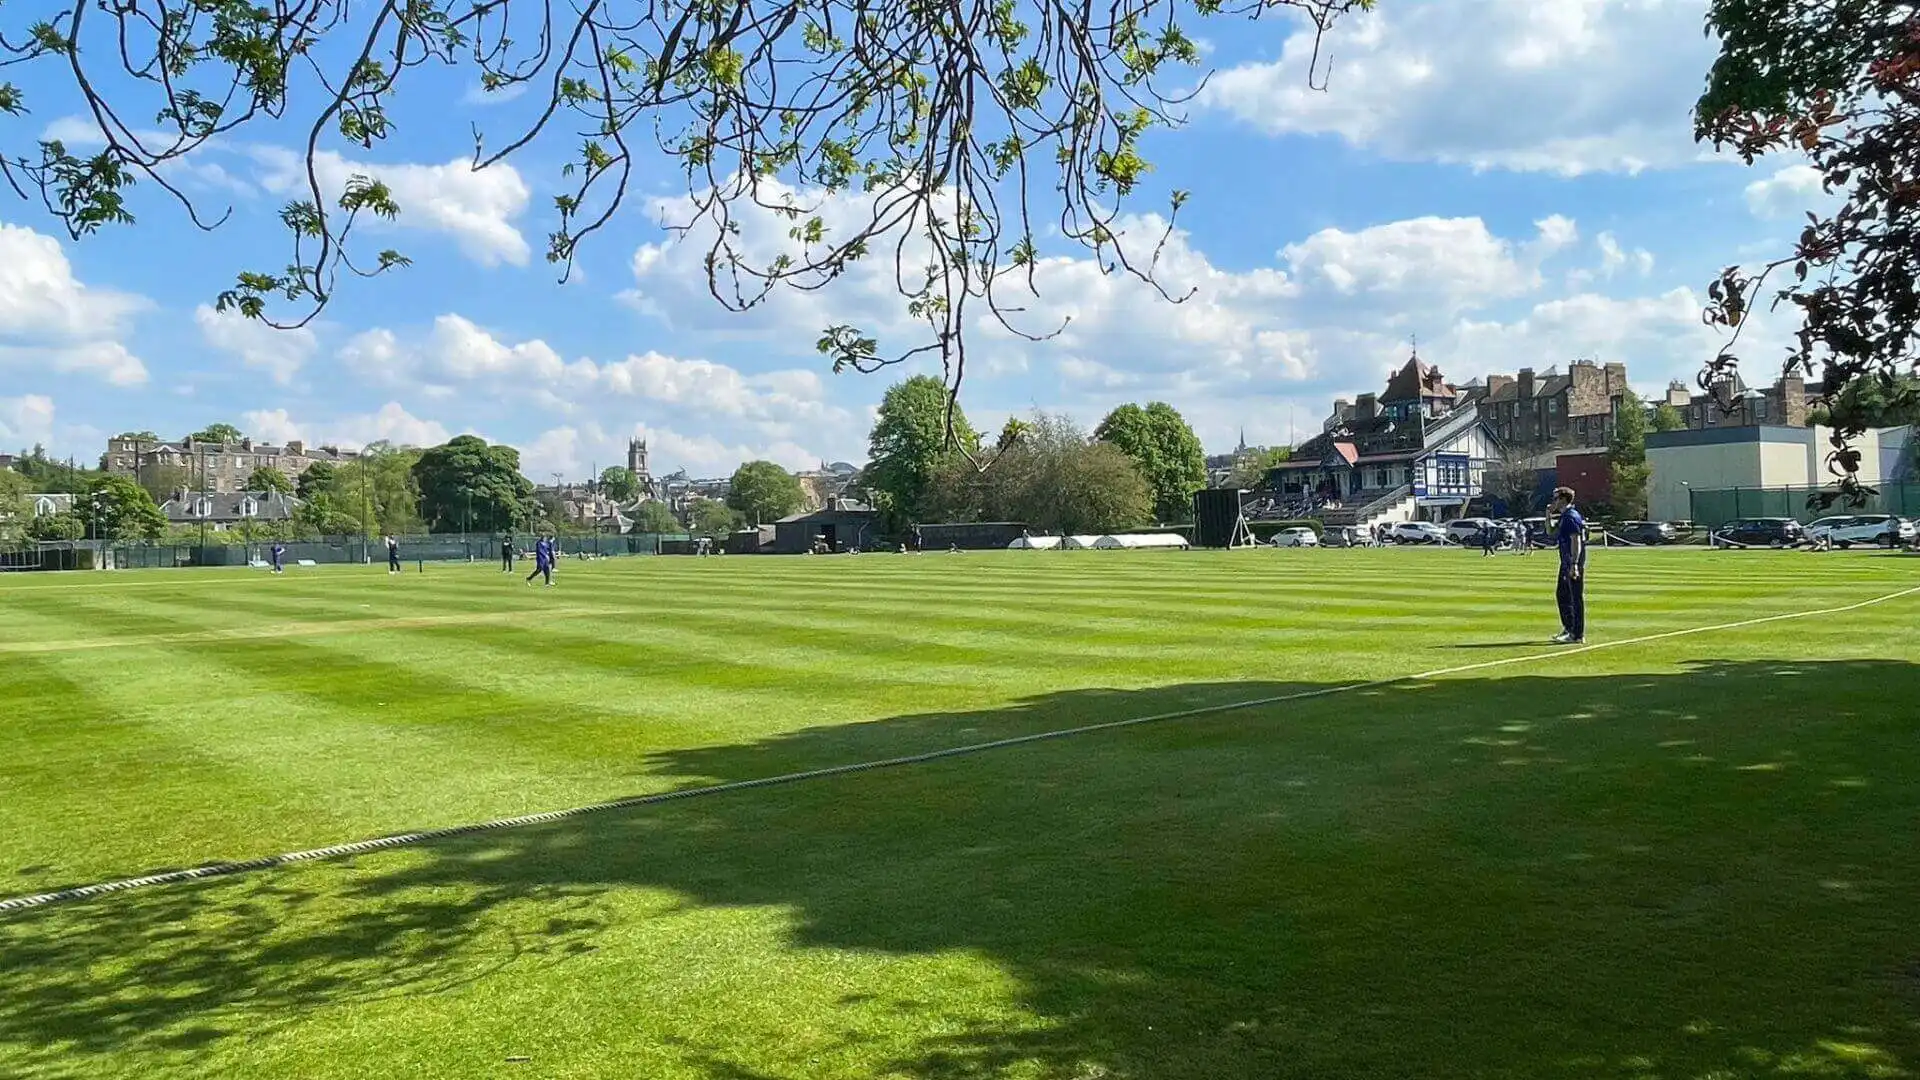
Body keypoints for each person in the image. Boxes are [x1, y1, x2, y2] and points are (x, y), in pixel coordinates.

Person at [1548, 486, 1586, 644]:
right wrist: (1547, 515)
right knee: (1562, 595)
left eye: (1555, 498)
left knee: (1574, 597)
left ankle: (1576, 633)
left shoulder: (1571, 516)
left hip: (1571, 562)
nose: (1553, 502)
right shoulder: (1564, 516)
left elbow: (1575, 540)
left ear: (1563, 499)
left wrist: (1574, 564)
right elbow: (1550, 532)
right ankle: (1569, 628)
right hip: (1565, 562)